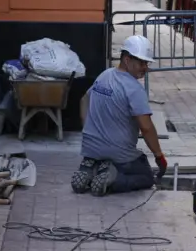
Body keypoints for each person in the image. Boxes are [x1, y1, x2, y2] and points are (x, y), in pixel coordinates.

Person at [71, 35, 167, 196]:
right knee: (146, 177)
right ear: (127, 60)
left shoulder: (104, 75)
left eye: (147, 63)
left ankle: (91, 168)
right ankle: (112, 180)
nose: (145, 67)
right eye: (141, 63)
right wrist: (159, 156)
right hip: (120, 154)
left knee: (101, 158)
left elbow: (83, 101)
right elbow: (146, 127)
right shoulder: (134, 89)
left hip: (90, 148)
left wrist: (88, 130)